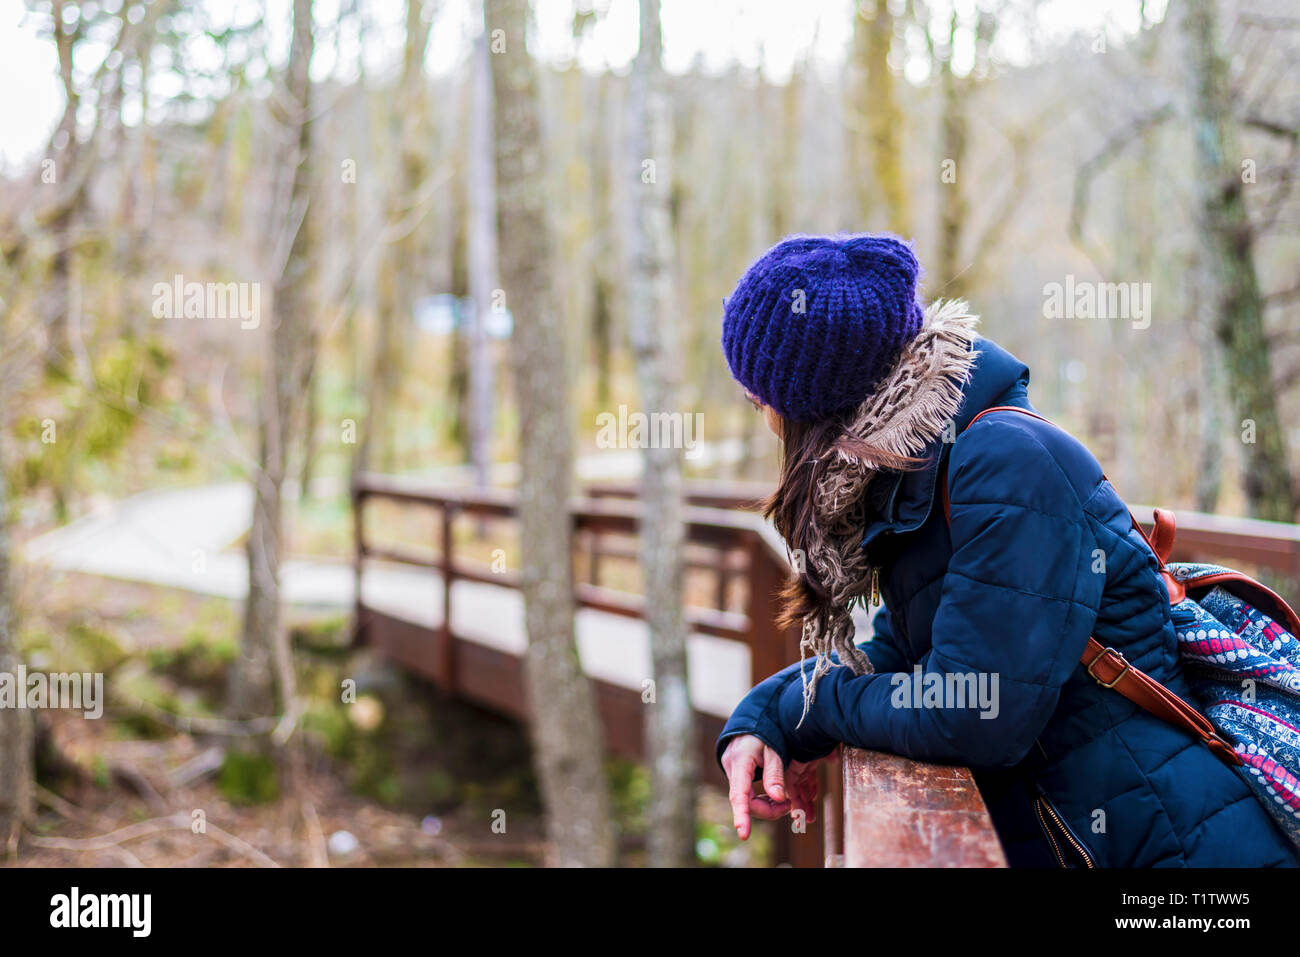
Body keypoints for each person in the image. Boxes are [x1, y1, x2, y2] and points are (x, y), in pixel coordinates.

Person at [715, 233, 1298, 867]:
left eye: (759, 396)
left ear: (816, 400)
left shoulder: (1003, 464)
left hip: (1168, 843)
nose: (760, 410)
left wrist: (822, 709)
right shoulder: (921, 470)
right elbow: (902, 653)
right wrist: (773, 715)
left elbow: (971, 708)